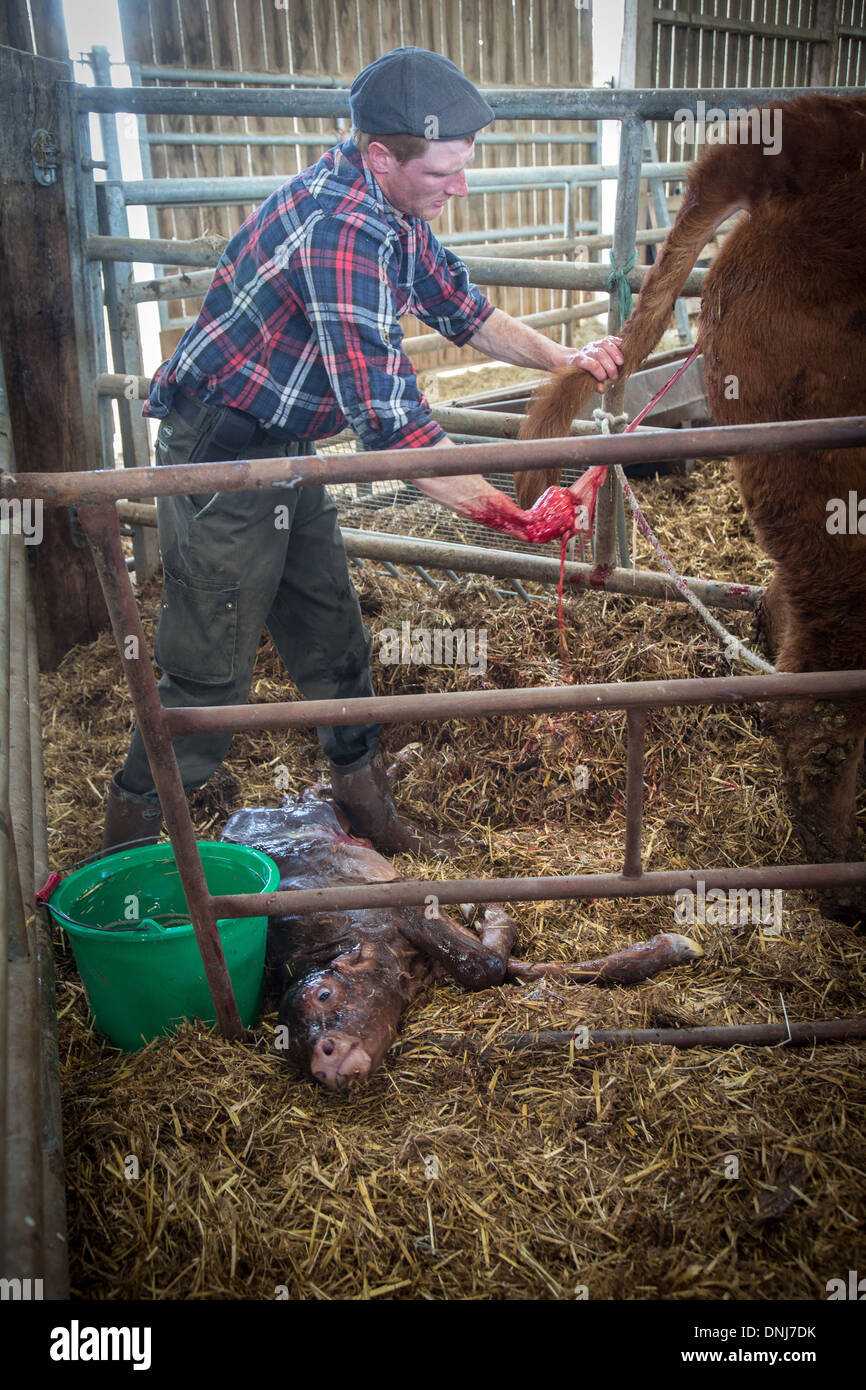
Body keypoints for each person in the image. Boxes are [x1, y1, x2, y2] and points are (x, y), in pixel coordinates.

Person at [103, 46, 623, 856]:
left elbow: (464, 310)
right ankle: (128, 852)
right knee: (208, 673)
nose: (461, 186)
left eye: (465, 165)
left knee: (334, 640)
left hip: (288, 450)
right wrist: (513, 516)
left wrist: (564, 359)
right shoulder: (344, 229)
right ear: (382, 156)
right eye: (444, 171)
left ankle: (368, 811)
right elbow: (391, 428)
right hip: (223, 454)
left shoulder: (392, 208)